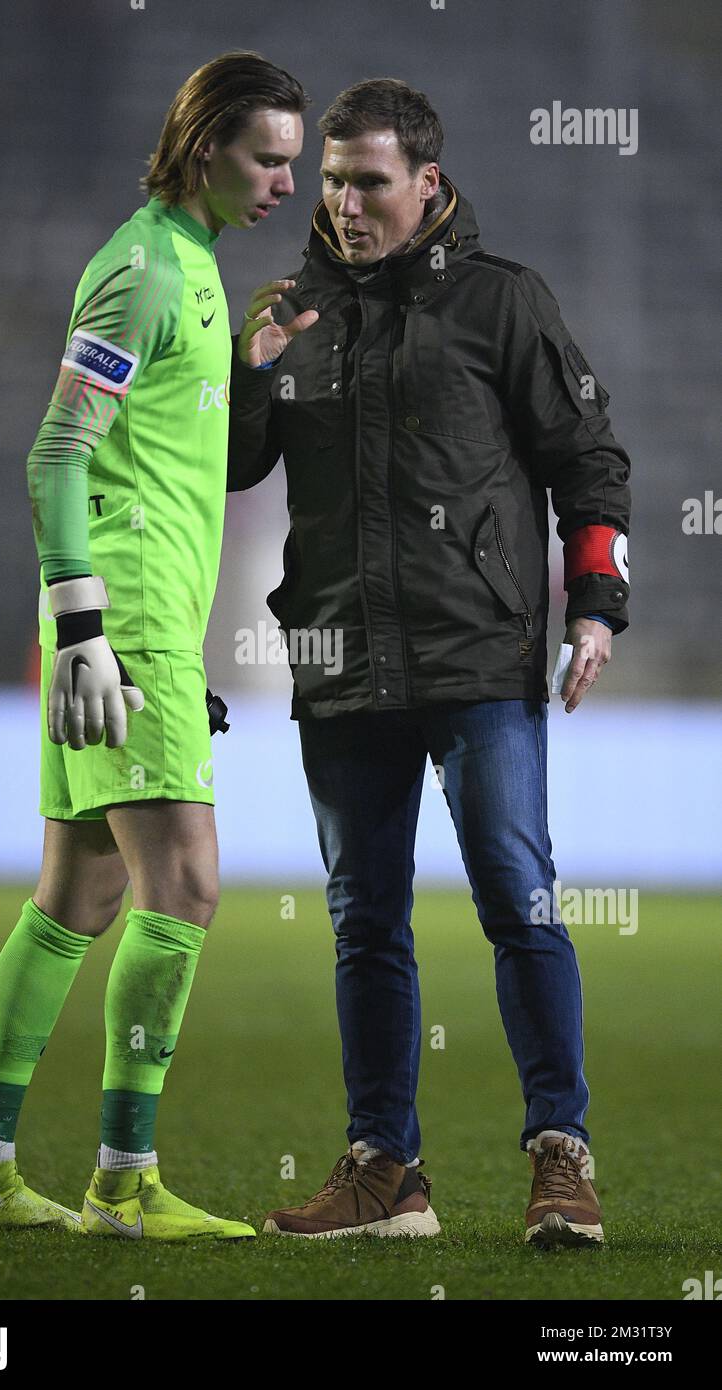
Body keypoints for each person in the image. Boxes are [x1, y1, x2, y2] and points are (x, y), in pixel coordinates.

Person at [227, 78, 631, 1245]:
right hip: (338, 659)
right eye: (332, 180)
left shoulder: (503, 304)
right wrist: (249, 376)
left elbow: (588, 459)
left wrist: (594, 606)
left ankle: (560, 1155)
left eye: (368, 181)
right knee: (364, 919)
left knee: (516, 900)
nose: (344, 202)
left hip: (475, 658)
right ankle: (384, 1172)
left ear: (427, 184)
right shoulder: (287, 309)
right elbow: (234, 472)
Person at [0, 51, 308, 1242]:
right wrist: (89, 629)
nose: (284, 184)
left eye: (295, 163)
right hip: (125, 619)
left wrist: (243, 371)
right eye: (266, 158)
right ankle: (122, 1181)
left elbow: (152, 443)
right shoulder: (145, 268)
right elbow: (56, 451)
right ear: (203, 147)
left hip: (126, 618)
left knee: (75, 895)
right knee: (184, 887)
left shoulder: (189, 265)